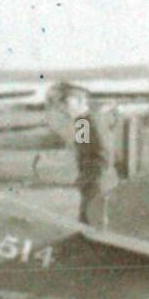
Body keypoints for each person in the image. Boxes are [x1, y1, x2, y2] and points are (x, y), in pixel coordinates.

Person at [45, 83, 118, 225]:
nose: (63, 108)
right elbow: (83, 152)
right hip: (93, 181)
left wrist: (88, 177)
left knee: (92, 224)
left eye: (66, 103)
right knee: (87, 222)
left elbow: (104, 154)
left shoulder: (86, 121)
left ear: (79, 101)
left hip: (98, 182)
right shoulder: (82, 121)